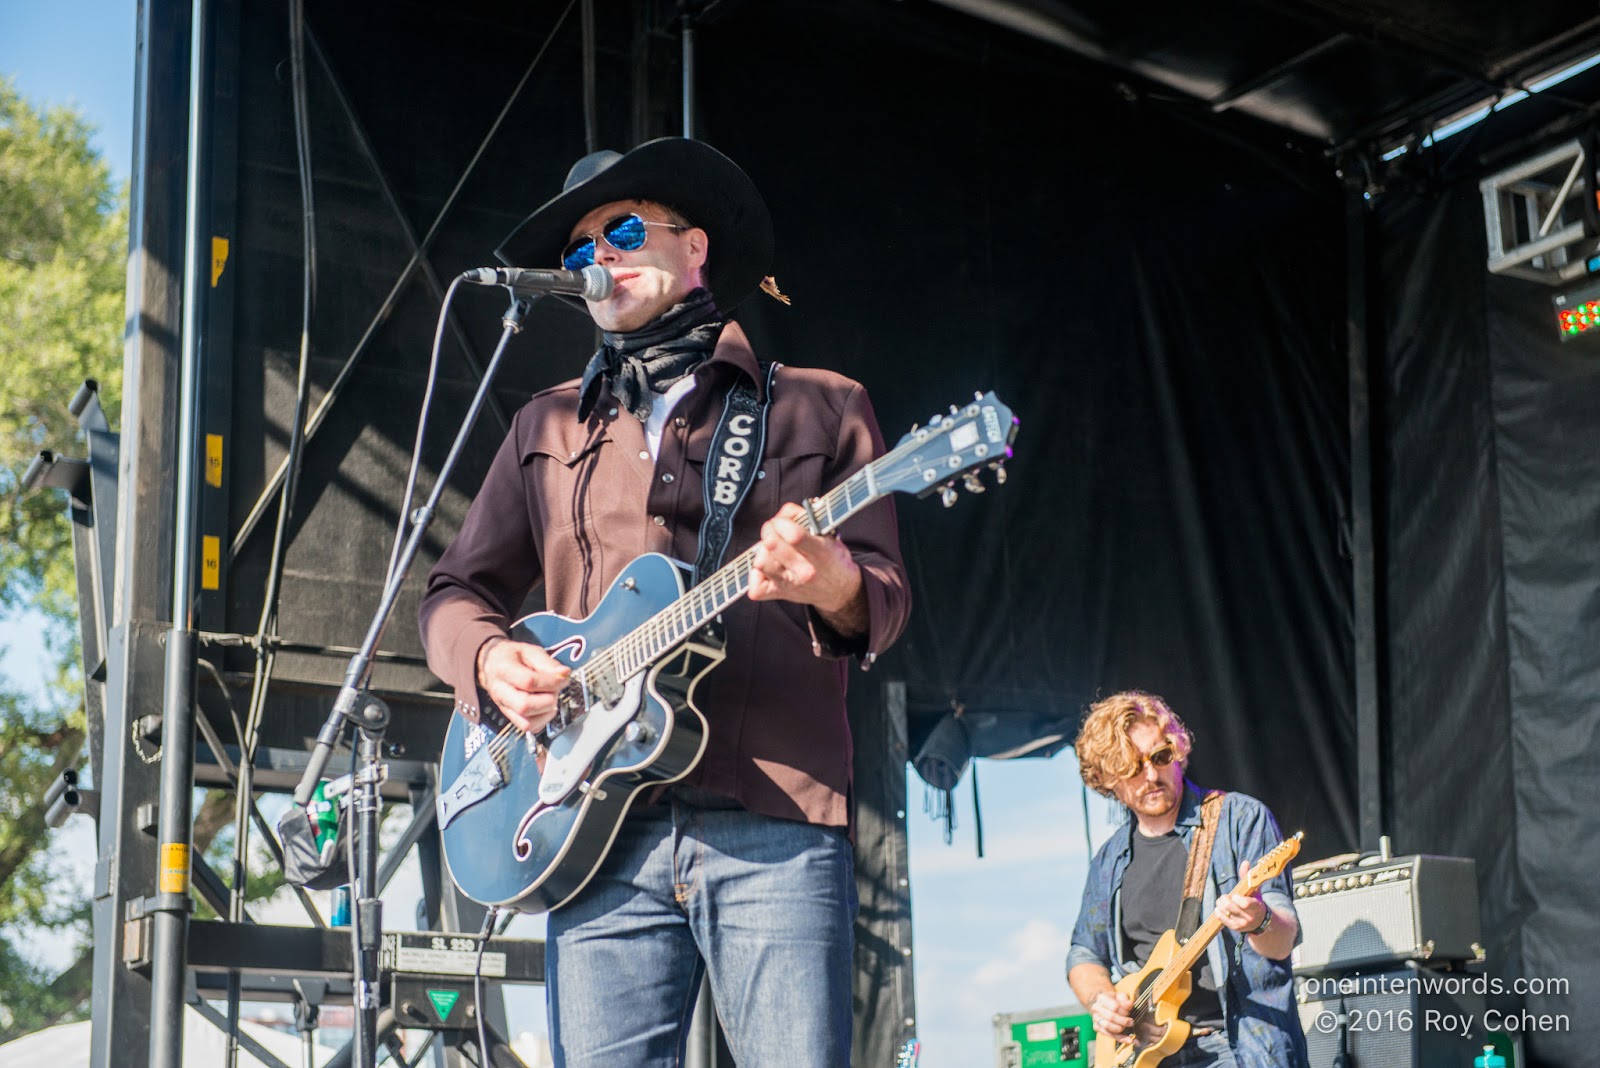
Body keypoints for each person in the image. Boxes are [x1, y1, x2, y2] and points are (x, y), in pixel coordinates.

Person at [418, 137, 910, 1067]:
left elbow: (881, 597)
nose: (597, 256)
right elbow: (453, 593)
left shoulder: (819, 406)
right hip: (591, 833)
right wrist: (486, 658)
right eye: (579, 248)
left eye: (625, 229)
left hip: (772, 820)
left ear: (695, 249)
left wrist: (830, 579)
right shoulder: (546, 423)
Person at [1066, 691, 1309, 1068]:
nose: (1151, 775)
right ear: (1106, 780)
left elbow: (1283, 940)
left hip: (1237, 1049)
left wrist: (1259, 920)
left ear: (1177, 750)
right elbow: (1083, 953)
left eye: (1161, 756)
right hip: (1144, 1056)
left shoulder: (1239, 820)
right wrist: (1102, 1002)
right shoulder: (1108, 861)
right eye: (1131, 767)